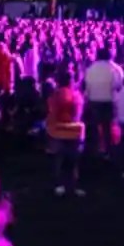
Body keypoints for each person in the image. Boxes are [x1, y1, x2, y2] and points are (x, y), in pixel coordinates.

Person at [47, 68, 86, 197]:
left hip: (57, 131)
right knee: (73, 161)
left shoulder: (54, 95)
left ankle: (59, 185)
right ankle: (73, 186)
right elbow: (78, 115)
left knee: (59, 159)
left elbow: (51, 111)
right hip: (73, 131)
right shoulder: (76, 96)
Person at [82, 47, 123, 156]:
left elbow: (87, 86)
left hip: (93, 101)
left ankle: (94, 152)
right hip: (109, 102)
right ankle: (109, 152)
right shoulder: (115, 69)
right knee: (107, 128)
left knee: (94, 128)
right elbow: (118, 85)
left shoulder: (90, 68)